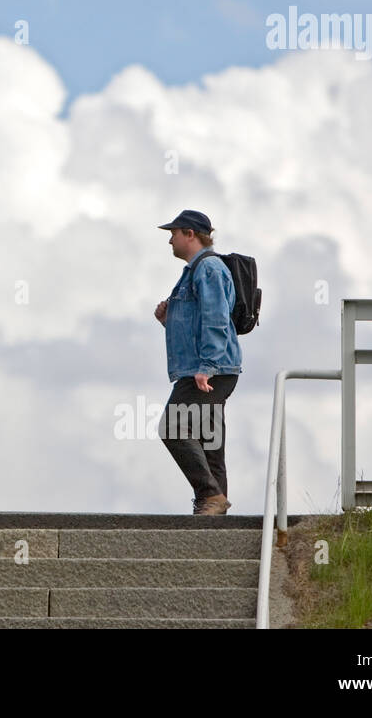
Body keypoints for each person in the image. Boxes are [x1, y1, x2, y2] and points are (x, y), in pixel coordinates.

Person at [153, 210, 242, 515]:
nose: (170, 240)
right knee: (209, 441)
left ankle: (210, 496)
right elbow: (198, 323)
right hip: (207, 368)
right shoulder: (195, 271)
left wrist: (208, 366)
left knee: (172, 426)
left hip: (208, 371)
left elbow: (216, 319)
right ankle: (214, 516)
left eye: (174, 233)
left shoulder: (209, 269)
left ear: (190, 234)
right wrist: (168, 320)